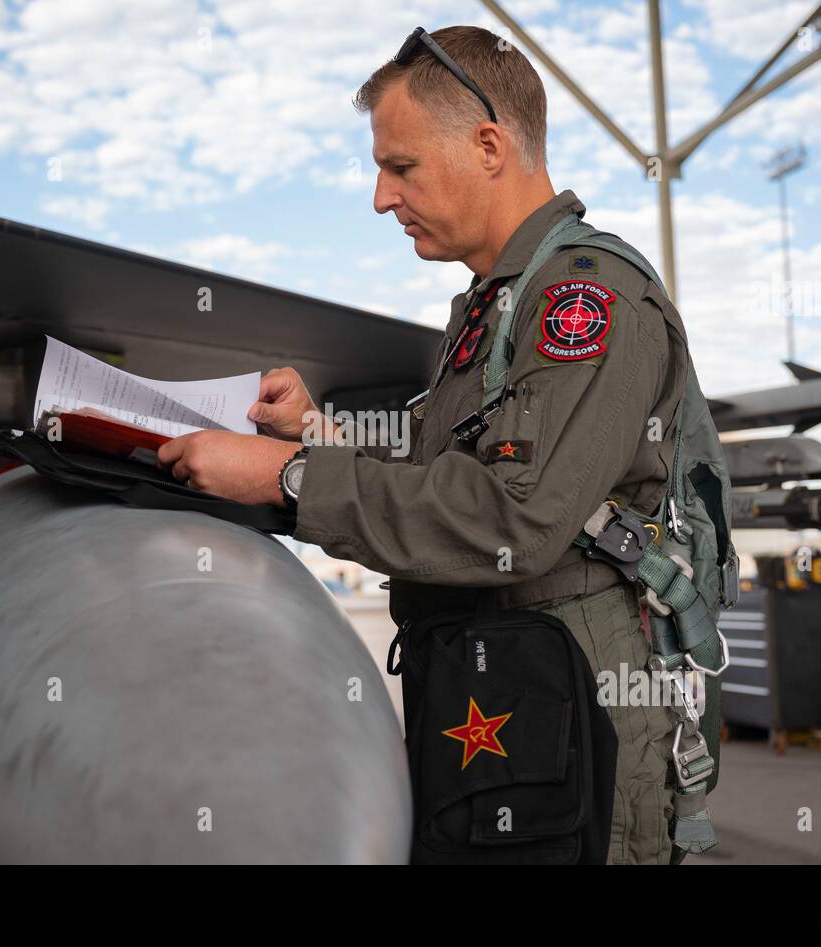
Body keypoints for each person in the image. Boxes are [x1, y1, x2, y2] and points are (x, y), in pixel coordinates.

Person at [158, 24, 694, 865]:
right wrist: (320, 434)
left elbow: (514, 521)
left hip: (570, 716)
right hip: (502, 690)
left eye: (399, 166)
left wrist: (289, 478)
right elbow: (449, 457)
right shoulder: (498, 302)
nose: (380, 197)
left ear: (489, 145)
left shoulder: (584, 300)